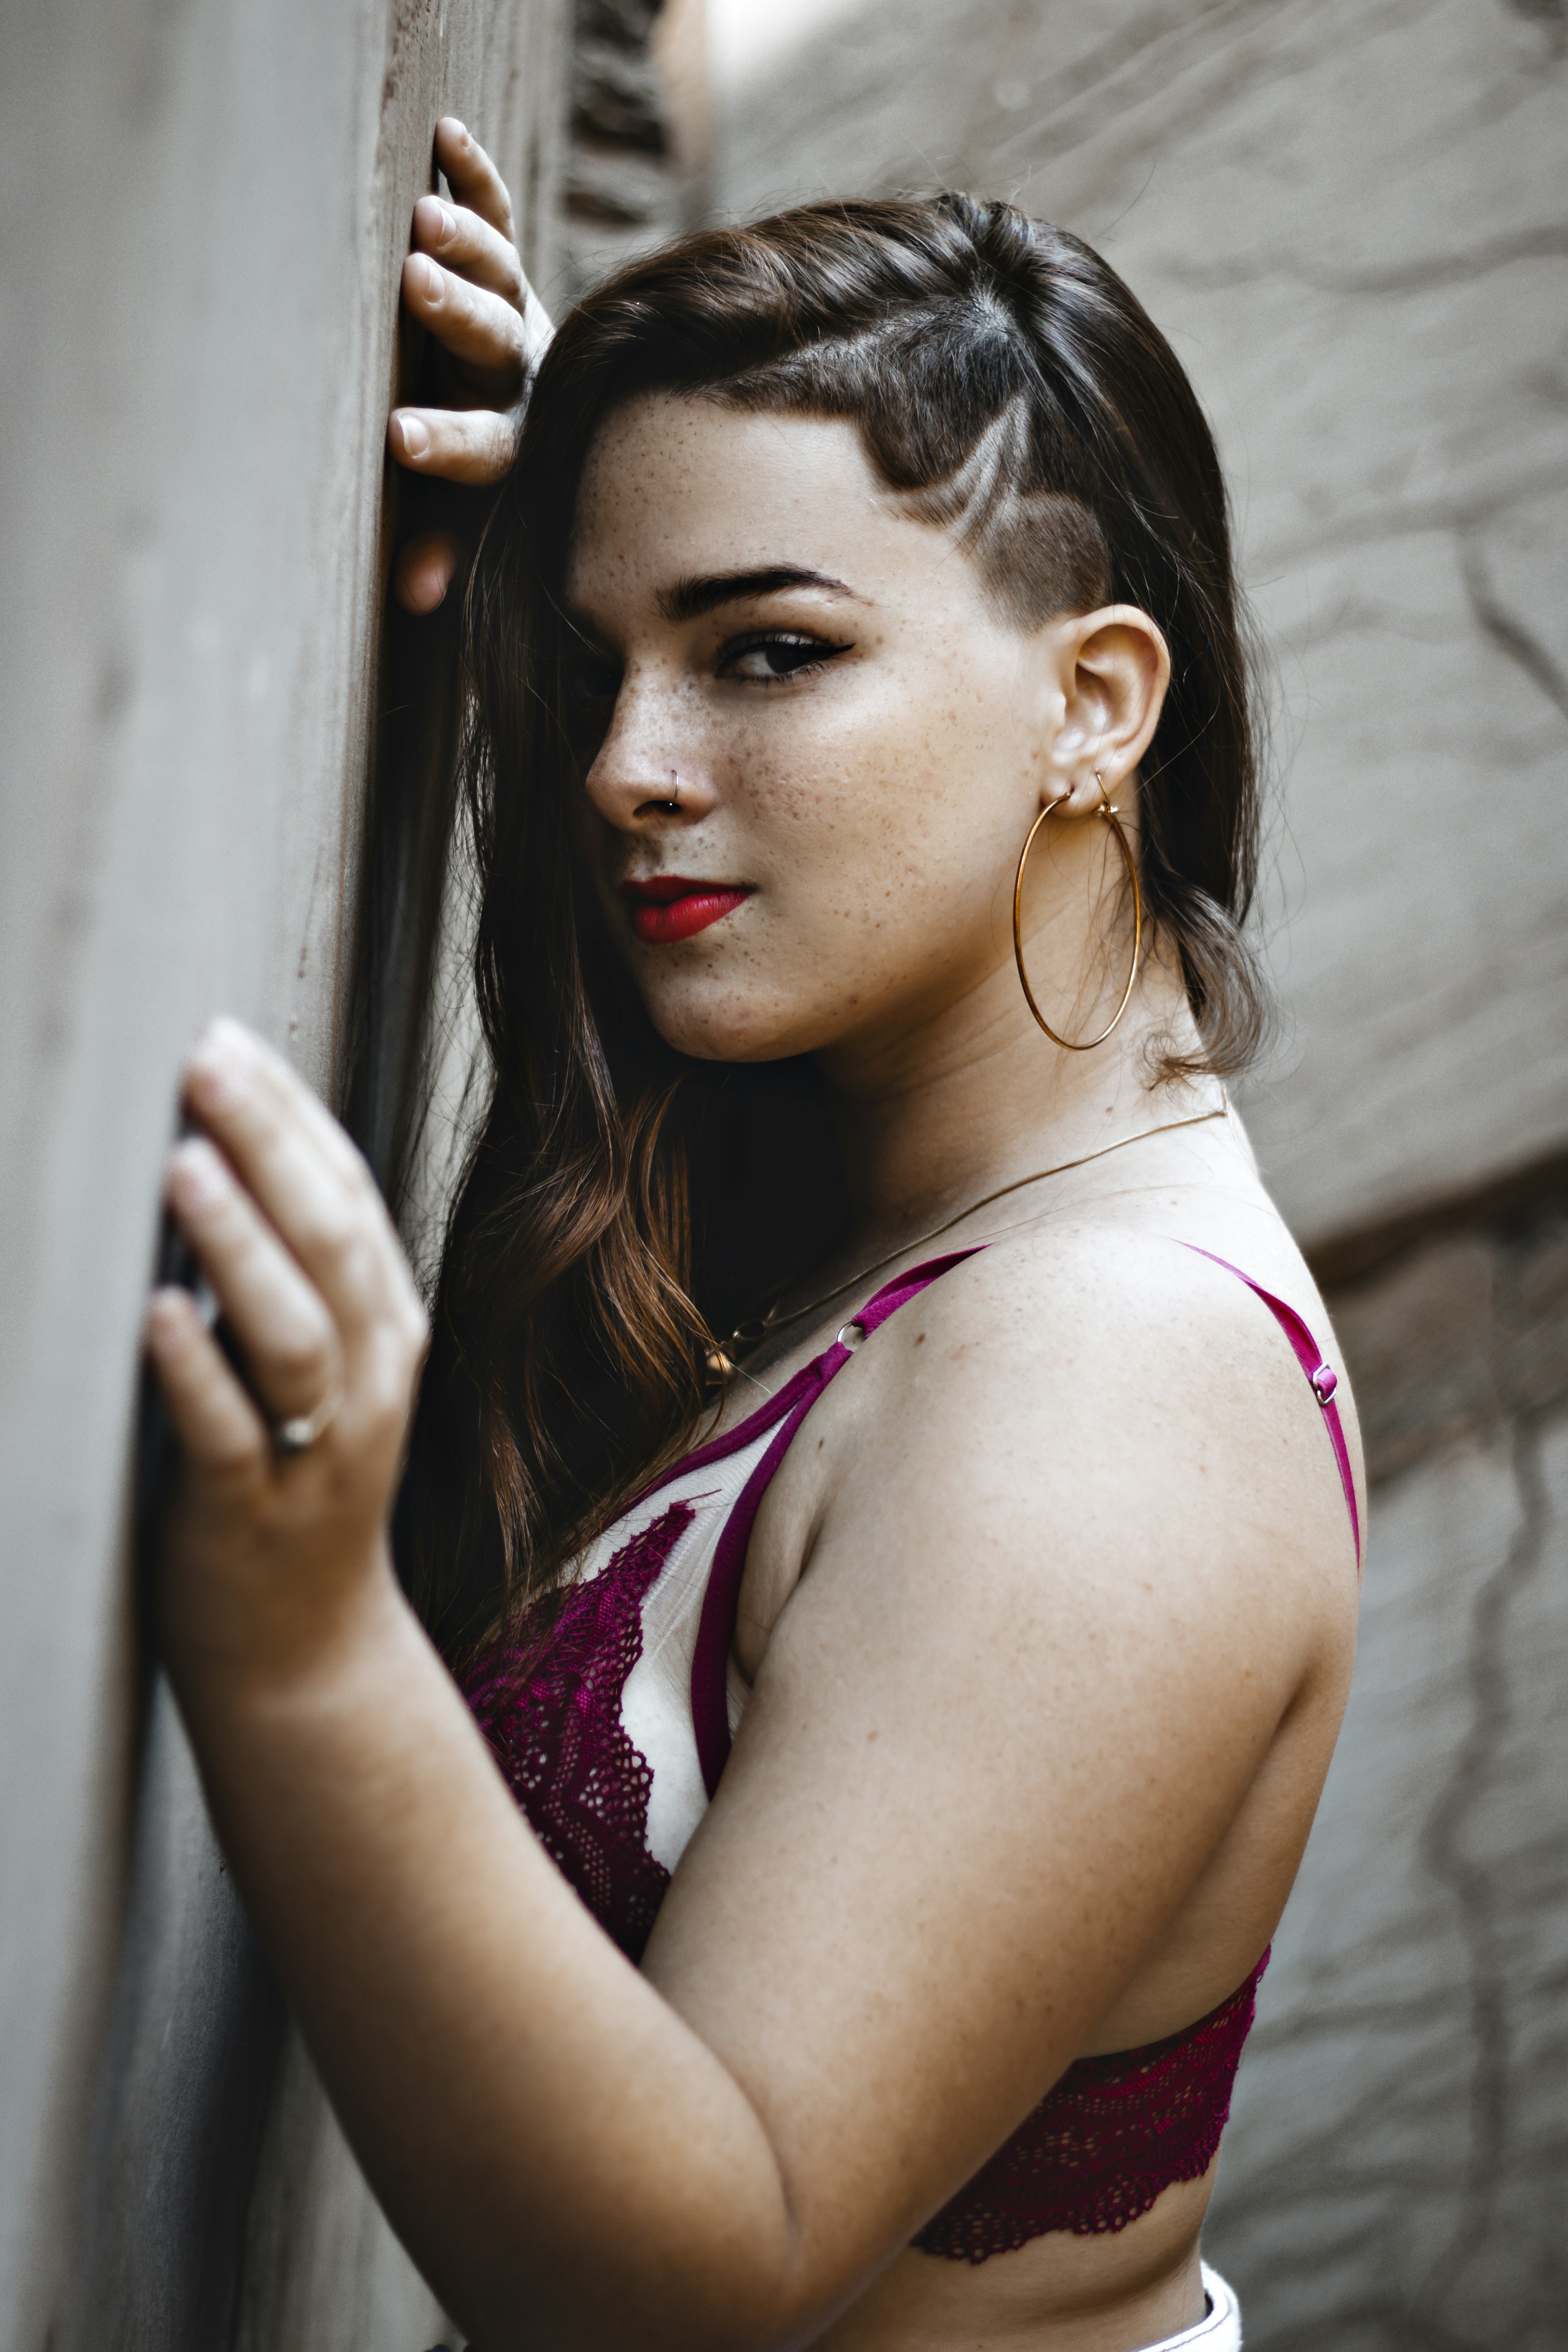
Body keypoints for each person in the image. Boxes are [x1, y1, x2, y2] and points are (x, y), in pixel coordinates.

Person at [143, 118, 1363, 2352]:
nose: (625, 761)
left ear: (1093, 707)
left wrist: (300, 1648)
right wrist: (623, 535)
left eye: (770, 652)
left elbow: (706, 2274)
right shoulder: (901, 1196)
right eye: (597, 664)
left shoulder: (1110, 1377)